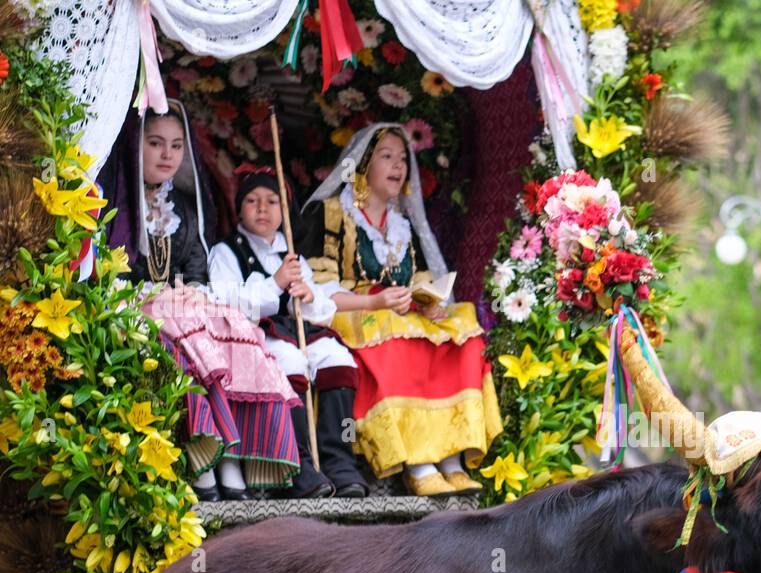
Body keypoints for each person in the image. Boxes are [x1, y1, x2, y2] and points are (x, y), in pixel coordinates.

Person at [101, 102, 300, 500]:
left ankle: (233, 457)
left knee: (234, 331)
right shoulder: (115, 205)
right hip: (129, 305)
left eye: (176, 146)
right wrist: (150, 294)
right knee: (183, 346)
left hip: (181, 303)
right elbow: (113, 271)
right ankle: (205, 459)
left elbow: (195, 266)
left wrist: (189, 289)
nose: (167, 155)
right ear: (134, 146)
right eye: (155, 143)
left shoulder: (186, 209)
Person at [299, 124, 501, 496]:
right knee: (394, 336)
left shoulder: (404, 225)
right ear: (361, 164)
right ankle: (418, 462)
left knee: (464, 332)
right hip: (352, 313)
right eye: (386, 156)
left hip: (400, 313)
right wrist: (375, 301)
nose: (397, 166)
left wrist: (431, 302)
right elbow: (314, 292)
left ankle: (451, 459)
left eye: (402, 159)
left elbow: (423, 278)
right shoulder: (328, 215)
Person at [208, 165, 368, 498]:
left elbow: (318, 305)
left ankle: (339, 458)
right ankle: (296, 466)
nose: (262, 208)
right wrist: (275, 283)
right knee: (292, 364)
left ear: (284, 210)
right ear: (239, 208)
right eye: (252, 201)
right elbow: (226, 303)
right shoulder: (226, 251)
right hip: (255, 337)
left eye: (272, 201)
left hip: (298, 331)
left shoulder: (290, 252)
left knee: (340, 361)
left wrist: (308, 297)